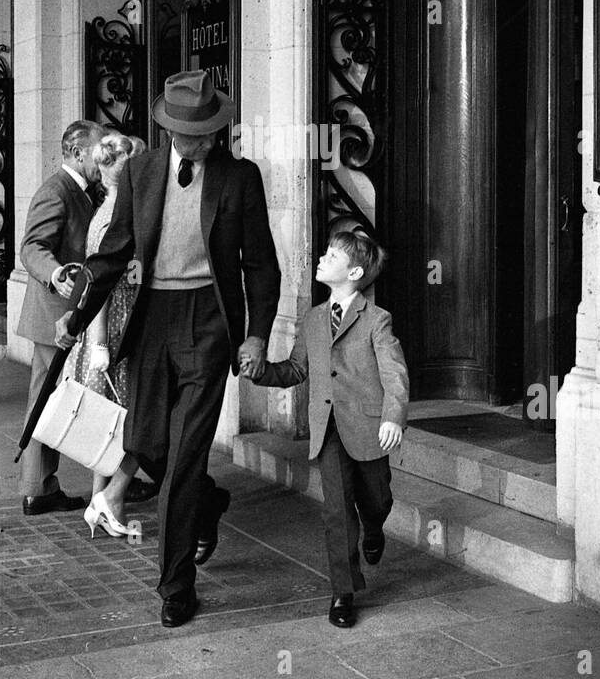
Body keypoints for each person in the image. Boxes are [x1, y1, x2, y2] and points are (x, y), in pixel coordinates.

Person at [57, 69, 281, 628]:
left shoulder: (240, 178)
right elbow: (110, 255)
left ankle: (175, 587)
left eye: (208, 130)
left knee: (185, 455)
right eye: (189, 132)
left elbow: (261, 265)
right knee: (145, 441)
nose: (200, 140)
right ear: (168, 129)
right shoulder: (142, 170)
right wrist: (79, 315)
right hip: (155, 318)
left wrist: (257, 333)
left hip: (210, 322)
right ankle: (207, 504)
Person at [242, 231, 408, 629]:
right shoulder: (313, 319)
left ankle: (374, 527)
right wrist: (262, 370)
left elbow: (395, 373)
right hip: (327, 428)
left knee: (377, 498)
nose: (321, 257)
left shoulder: (376, 319)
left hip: (368, 427)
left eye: (331, 255)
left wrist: (393, 416)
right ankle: (343, 592)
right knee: (336, 510)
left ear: (353, 272)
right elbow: (297, 369)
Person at [60, 130, 152, 537]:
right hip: (114, 326)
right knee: (133, 418)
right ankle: (111, 495)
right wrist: (99, 343)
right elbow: (100, 285)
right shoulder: (113, 217)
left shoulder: (113, 209)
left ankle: (102, 500)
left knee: (110, 422)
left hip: (118, 322)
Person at [18, 120, 104, 515]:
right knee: (45, 399)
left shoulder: (83, 191)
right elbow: (33, 246)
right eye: (99, 149)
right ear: (77, 152)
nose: (103, 157)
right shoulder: (57, 190)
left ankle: (43, 485)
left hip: (68, 315)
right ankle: (37, 488)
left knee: (53, 398)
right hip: (55, 313)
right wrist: (54, 273)